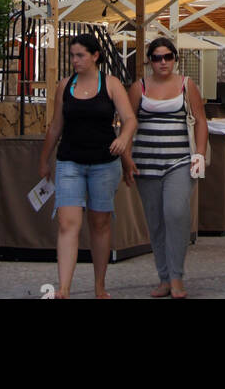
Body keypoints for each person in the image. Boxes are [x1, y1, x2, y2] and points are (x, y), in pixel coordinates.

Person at [39, 33, 136, 299]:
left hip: (104, 163)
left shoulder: (111, 84)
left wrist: (124, 141)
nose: (75, 60)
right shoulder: (65, 85)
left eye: (80, 55)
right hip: (69, 160)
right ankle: (64, 288)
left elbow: (129, 119)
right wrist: (44, 160)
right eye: (72, 55)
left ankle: (99, 285)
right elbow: (56, 125)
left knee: (100, 222)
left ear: (95, 56)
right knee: (68, 222)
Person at [124, 37, 209, 300]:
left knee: (176, 214)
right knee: (156, 222)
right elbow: (127, 123)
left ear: (175, 59)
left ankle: (176, 277)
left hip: (179, 162)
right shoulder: (138, 88)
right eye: (157, 57)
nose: (163, 62)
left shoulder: (187, 85)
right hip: (146, 163)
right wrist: (126, 158)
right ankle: (164, 278)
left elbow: (201, 121)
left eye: (168, 56)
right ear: (149, 60)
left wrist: (200, 155)